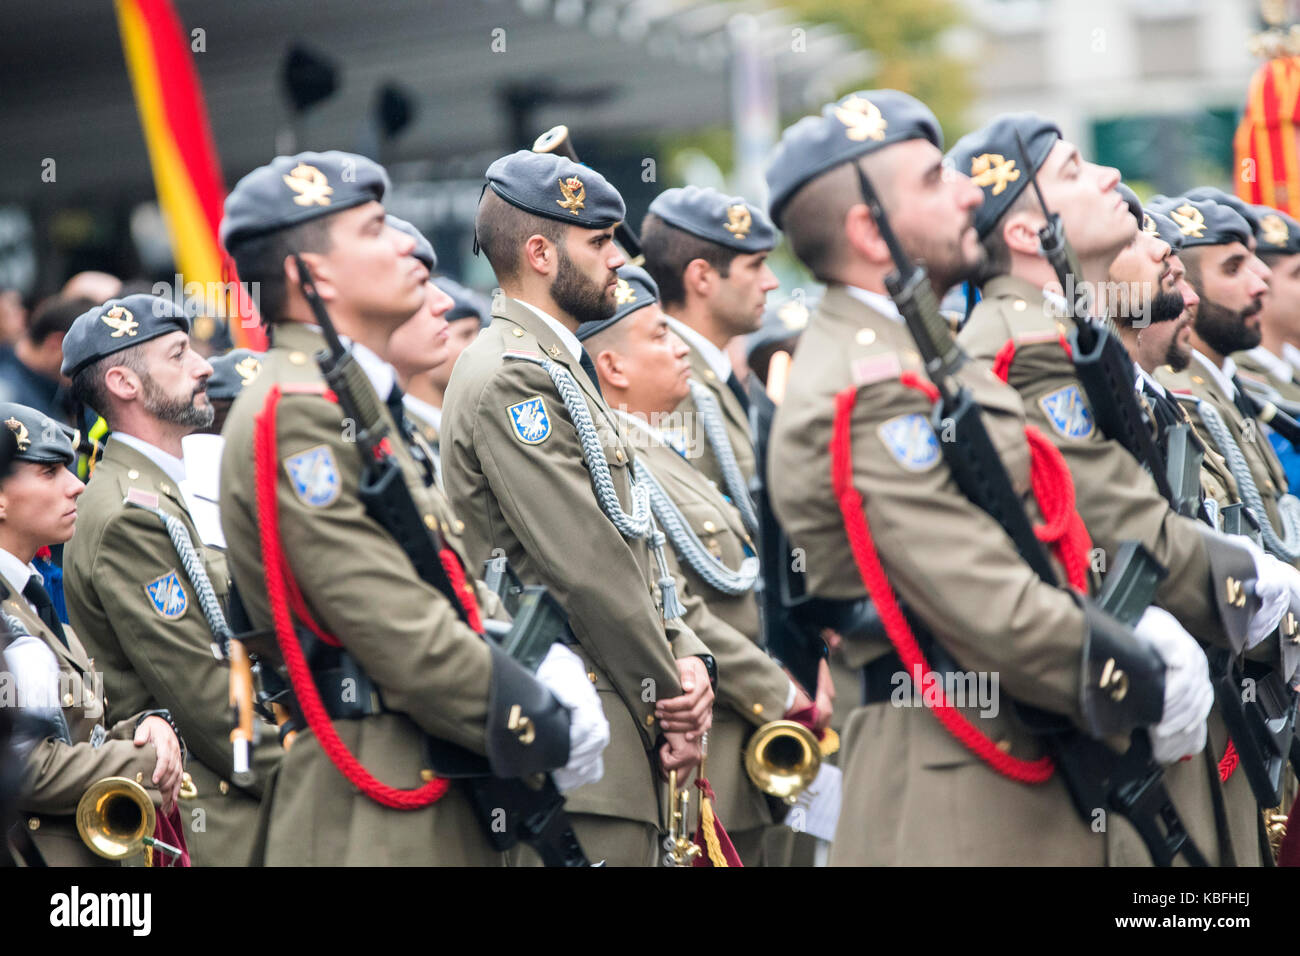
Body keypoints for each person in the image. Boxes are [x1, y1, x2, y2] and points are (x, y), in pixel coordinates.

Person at [764, 89, 1215, 865]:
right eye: (937, 181)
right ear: (871, 230)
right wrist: (1133, 668)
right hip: (957, 787)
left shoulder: (919, 348)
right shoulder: (863, 384)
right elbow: (979, 596)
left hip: (1012, 755)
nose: (970, 191)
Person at [217, 149, 607, 866]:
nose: (404, 243)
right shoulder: (299, 408)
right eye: (371, 230)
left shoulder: (346, 394)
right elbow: (388, 620)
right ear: (314, 276)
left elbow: (439, 577)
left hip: (417, 765)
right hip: (374, 794)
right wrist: (526, 710)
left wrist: (531, 659)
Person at [441, 149, 715, 866]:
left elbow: (636, 542)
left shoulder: (555, 366)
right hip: (580, 732)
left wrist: (684, 650)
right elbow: (587, 566)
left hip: (608, 713)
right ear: (539, 252)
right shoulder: (513, 376)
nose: (618, 259)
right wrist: (669, 698)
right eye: (597, 242)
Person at [578, 263, 832, 864]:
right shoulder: (620, 460)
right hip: (719, 731)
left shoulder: (661, 450)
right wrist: (781, 694)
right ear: (612, 368)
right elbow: (679, 602)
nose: (678, 349)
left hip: (746, 743)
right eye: (660, 337)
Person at [60, 294, 282, 866]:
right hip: (221, 810)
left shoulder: (166, 487)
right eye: (179, 355)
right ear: (125, 385)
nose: (205, 366)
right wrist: (312, 776)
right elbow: (206, 696)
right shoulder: (129, 514)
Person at [0, 402, 185, 865]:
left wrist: (147, 729)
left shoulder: (30, 596)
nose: (77, 484)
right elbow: (23, 767)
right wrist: (147, 763)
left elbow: (78, 735)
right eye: (49, 472)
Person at [640, 187, 779, 515]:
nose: (770, 282)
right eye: (756, 265)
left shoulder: (710, 372)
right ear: (701, 277)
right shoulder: (674, 385)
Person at [0, 296, 89, 423]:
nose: (88, 369)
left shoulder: (43, 390)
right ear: (56, 345)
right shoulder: (11, 397)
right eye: (83, 356)